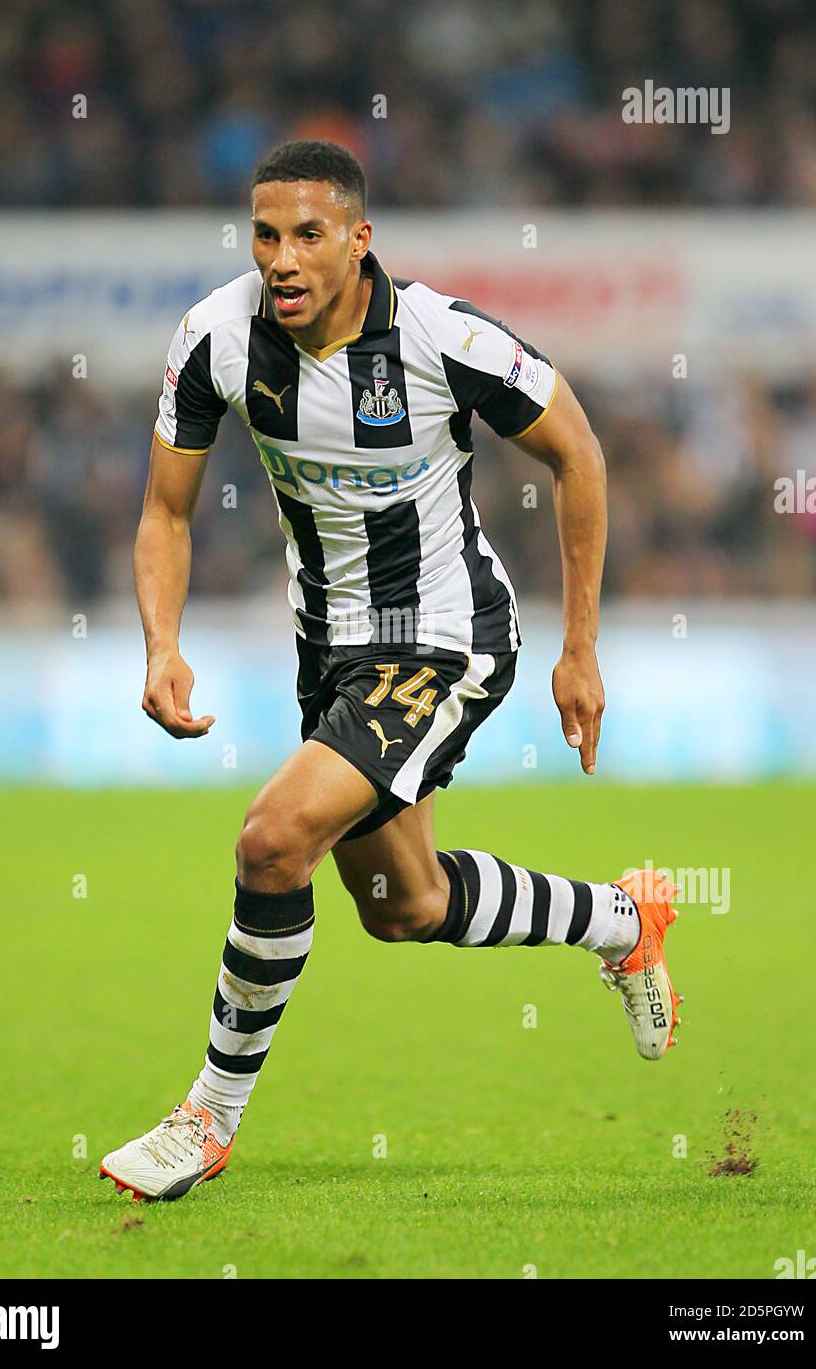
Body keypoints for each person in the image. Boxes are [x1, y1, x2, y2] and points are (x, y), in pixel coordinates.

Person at [100, 140, 682, 1203]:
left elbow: (579, 452)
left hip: (445, 638)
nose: (282, 257)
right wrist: (160, 642)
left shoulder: (442, 338)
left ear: (358, 239)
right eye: (266, 234)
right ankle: (619, 919)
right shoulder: (214, 338)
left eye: (308, 234)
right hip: (330, 650)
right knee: (404, 905)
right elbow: (164, 512)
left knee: (272, 842)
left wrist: (581, 646)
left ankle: (206, 1119)